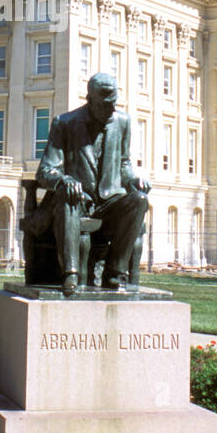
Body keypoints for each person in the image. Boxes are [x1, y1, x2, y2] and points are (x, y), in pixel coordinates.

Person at [36, 71, 150, 296]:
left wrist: (134, 179)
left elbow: (124, 165)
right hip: (78, 201)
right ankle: (71, 273)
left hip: (109, 201)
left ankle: (115, 274)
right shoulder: (65, 123)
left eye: (113, 103)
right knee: (69, 196)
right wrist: (63, 180)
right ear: (90, 101)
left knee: (139, 200)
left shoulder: (122, 122)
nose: (111, 109)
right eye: (104, 105)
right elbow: (45, 170)